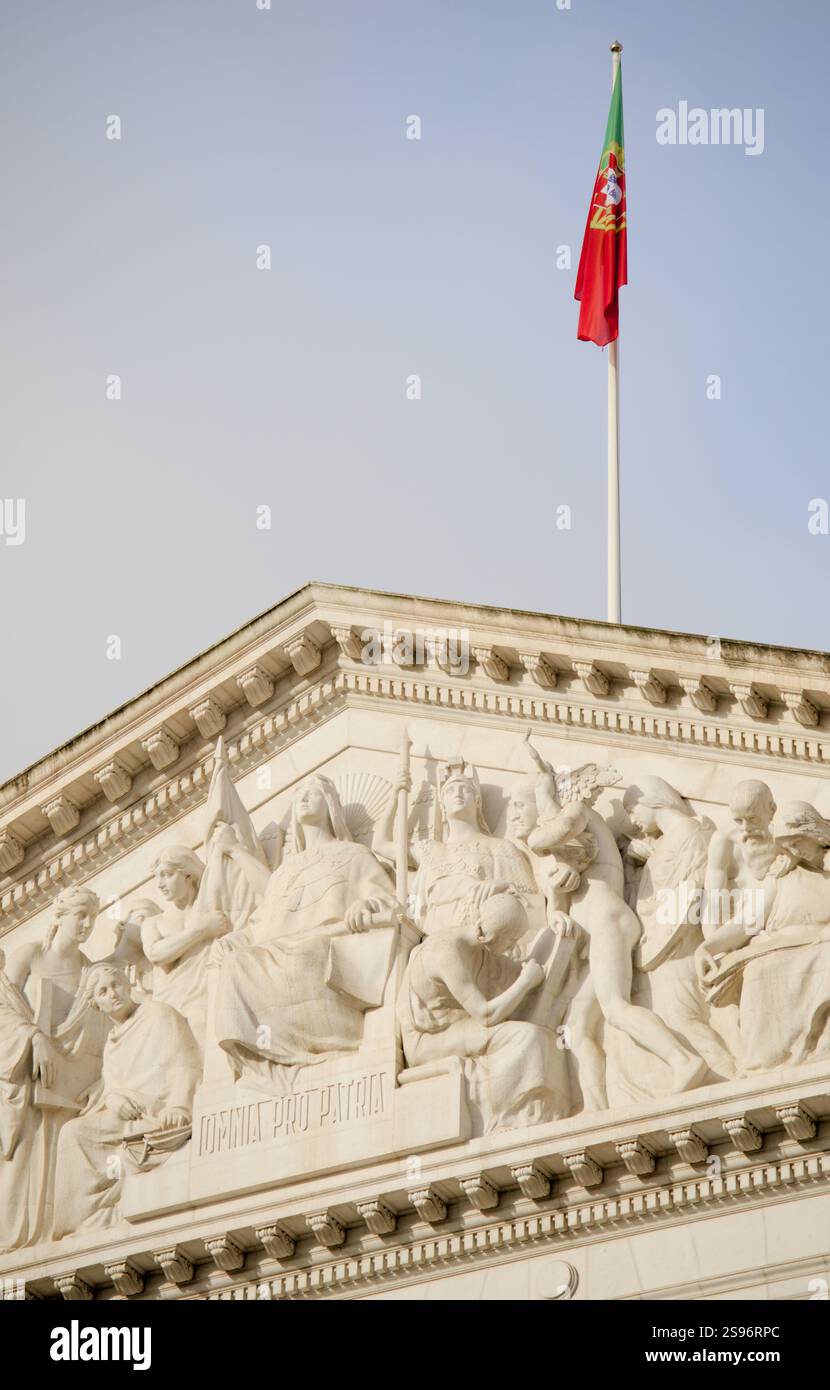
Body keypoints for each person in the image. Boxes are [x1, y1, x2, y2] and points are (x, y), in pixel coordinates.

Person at [211, 775, 398, 1081]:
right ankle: (258, 1064)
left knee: (303, 954)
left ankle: (307, 1047)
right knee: (234, 963)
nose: (303, 798)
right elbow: (261, 924)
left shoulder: (354, 855)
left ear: (331, 806)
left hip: (323, 953)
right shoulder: (284, 872)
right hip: (277, 956)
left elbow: (385, 900)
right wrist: (234, 938)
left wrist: (366, 906)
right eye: (298, 793)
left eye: (313, 793)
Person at [53, 963, 201, 1237]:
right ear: (96, 1004)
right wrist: (115, 1098)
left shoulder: (159, 1014)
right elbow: (113, 1083)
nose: (112, 994)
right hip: (126, 1116)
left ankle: (92, 1216)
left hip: (157, 1112)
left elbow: (185, 1061)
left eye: (116, 985)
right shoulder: (111, 1042)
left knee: (75, 1134)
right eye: (102, 991)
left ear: (128, 985)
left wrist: (179, 1105)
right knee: (72, 1133)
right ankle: (85, 1219)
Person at [623, 777, 735, 1082]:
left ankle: (728, 1075)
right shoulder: (669, 842)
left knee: (682, 1018)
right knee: (676, 1018)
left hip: (676, 946)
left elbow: (689, 893)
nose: (631, 818)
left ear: (653, 801)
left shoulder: (688, 832)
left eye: (632, 808)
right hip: (664, 946)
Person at [141, 846, 228, 1050]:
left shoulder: (207, 906)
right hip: (175, 1002)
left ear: (188, 875)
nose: (160, 884)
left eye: (167, 875)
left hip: (211, 987)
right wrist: (200, 930)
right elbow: (155, 954)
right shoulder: (154, 923)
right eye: (157, 877)